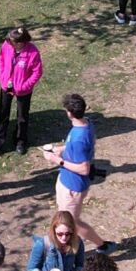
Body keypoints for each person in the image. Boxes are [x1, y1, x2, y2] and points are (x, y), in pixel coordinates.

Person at [41, 94, 109, 248]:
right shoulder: (86, 124)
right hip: (67, 181)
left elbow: (84, 169)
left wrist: (57, 160)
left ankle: (102, 245)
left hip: (72, 187)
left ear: (69, 113)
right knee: (65, 218)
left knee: (71, 223)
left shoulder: (79, 137)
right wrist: (60, 149)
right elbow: (81, 146)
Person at [0, 27, 42, 154]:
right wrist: (2, 77)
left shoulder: (32, 52)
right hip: (7, 86)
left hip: (23, 90)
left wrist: (24, 86)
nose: (8, 43)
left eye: (12, 41)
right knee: (3, 111)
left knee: (22, 116)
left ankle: (20, 141)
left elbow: (37, 72)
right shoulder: (6, 45)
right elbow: (0, 59)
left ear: (21, 42)